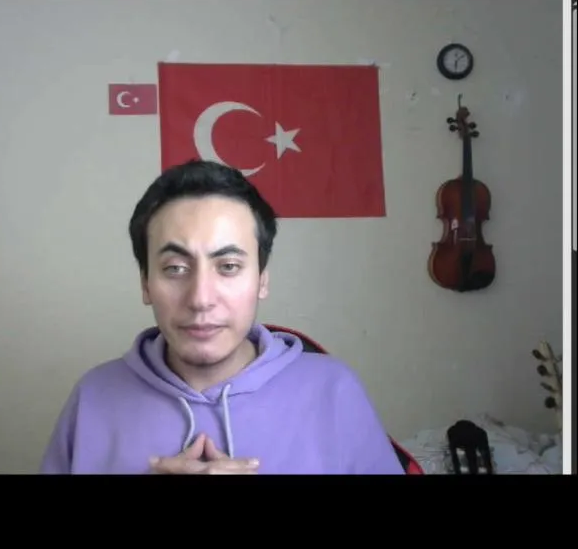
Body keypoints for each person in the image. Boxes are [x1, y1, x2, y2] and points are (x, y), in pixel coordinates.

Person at [41, 159, 402, 475]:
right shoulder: (93, 397)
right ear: (145, 283)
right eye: (175, 268)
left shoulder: (333, 391)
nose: (201, 299)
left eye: (228, 266)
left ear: (262, 279)